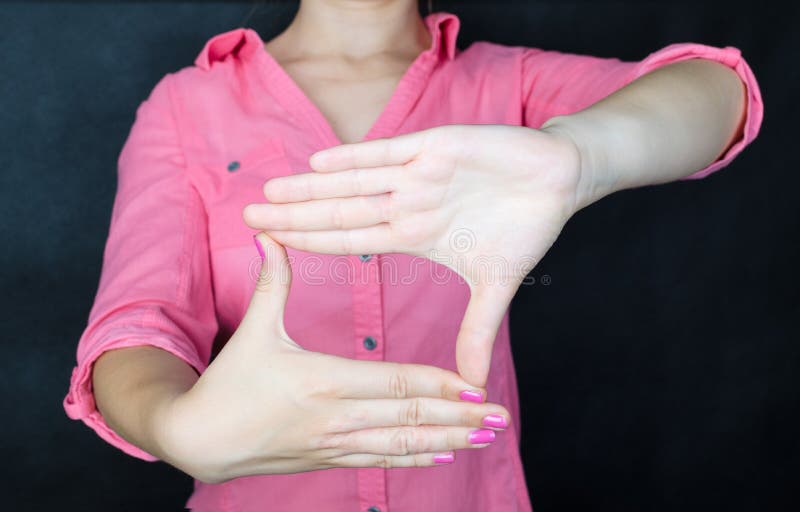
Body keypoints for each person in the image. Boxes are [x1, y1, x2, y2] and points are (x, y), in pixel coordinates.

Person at [63, 1, 763, 511]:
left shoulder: (505, 81)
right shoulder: (187, 106)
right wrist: (172, 425)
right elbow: (135, 325)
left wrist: (579, 155)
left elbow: (718, 93)